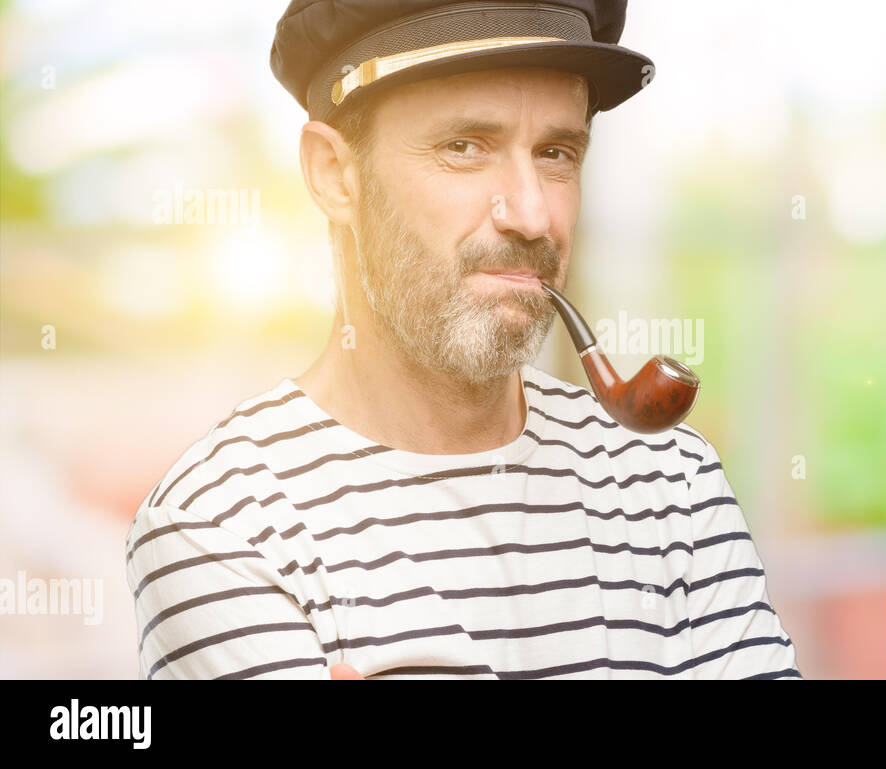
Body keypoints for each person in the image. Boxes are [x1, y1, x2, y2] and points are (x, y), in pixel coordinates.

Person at [125, 0, 801, 679]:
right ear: (334, 174)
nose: (532, 215)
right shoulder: (223, 528)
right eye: (465, 147)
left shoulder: (671, 481)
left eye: (556, 153)